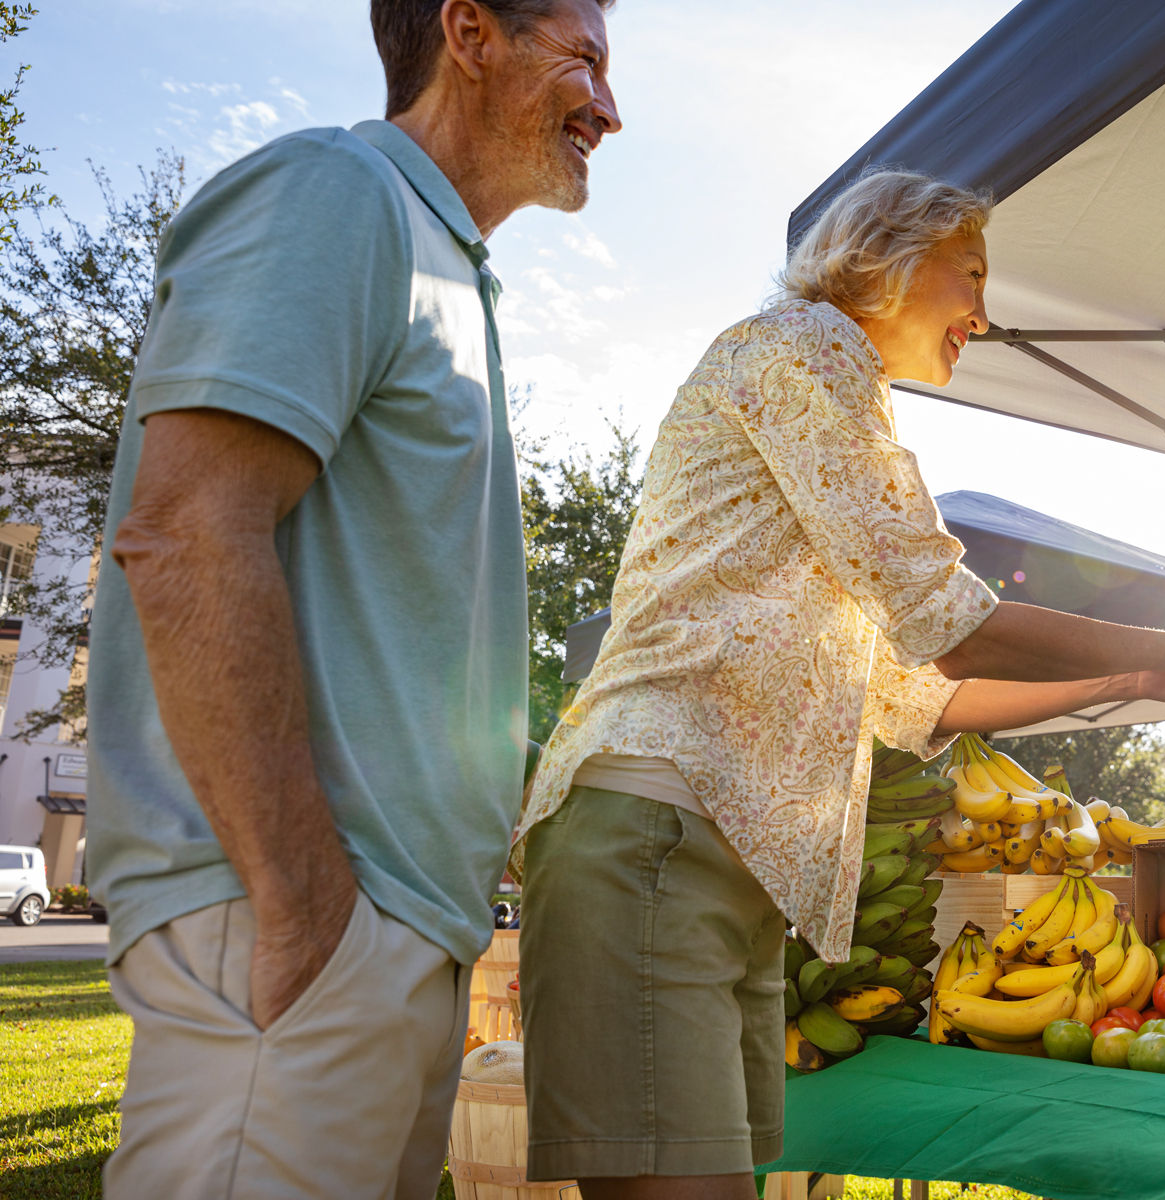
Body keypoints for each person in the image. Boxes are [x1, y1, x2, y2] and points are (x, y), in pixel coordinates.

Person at [515, 167, 1165, 1199]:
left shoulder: (840, 407)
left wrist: (1132, 672)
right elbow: (951, 625)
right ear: (891, 258)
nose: (984, 317)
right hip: (660, 830)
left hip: (717, 860)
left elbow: (924, 698)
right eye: (972, 273)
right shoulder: (802, 351)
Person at [87, 2, 621, 1196]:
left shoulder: (449, 267)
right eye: (583, 58)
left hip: (391, 943)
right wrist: (303, 906)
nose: (608, 107)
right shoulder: (341, 192)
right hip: (300, 935)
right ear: (470, 32)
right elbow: (185, 533)